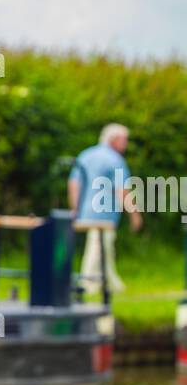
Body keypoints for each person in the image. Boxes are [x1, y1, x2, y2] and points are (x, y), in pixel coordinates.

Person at [68, 123, 142, 295]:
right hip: (105, 213)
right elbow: (122, 190)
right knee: (98, 247)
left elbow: (74, 183)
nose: (126, 144)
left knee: (104, 248)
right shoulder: (115, 160)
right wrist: (135, 215)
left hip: (85, 211)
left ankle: (112, 284)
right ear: (114, 139)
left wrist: (75, 207)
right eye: (124, 140)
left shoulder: (86, 155)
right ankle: (88, 285)